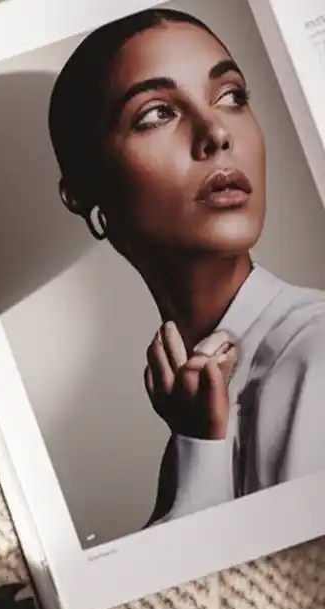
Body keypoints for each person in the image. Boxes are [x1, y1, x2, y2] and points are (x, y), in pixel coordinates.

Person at [47, 9, 325, 525]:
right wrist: (198, 443)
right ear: (84, 193)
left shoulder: (312, 353)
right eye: (156, 114)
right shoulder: (198, 400)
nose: (216, 132)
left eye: (231, 96)